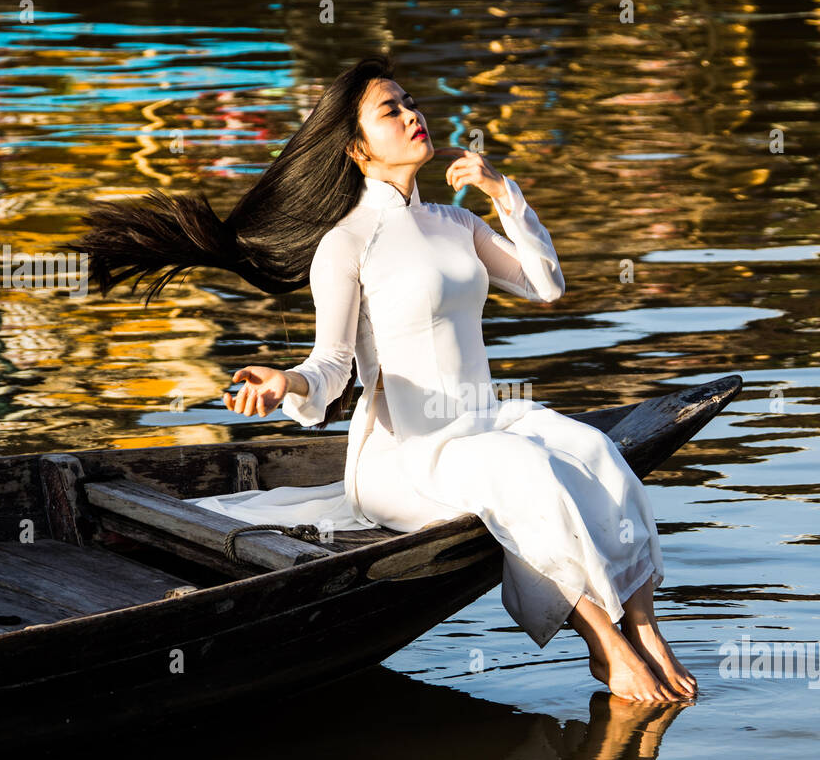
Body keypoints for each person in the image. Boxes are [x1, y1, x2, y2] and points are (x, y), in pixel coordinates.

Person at [64, 54, 695, 703]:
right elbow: (331, 366)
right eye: (389, 110)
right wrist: (286, 382)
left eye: (410, 101)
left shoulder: (456, 223)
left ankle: (646, 629)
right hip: (404, 458)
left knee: (593, 450)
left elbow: (544, 284)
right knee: (523, 470)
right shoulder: (345, 243)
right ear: (356, 149)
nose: (413, 115)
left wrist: (505, 194)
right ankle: (605, 647)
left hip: (480, 422)